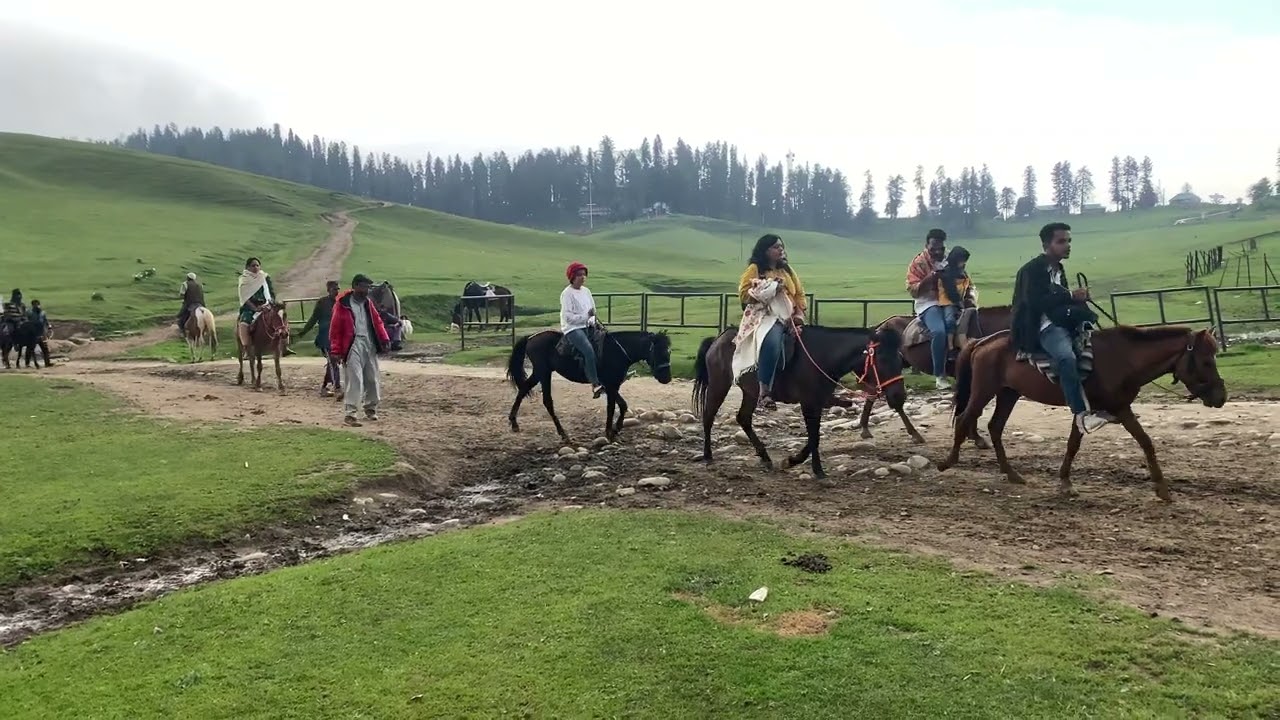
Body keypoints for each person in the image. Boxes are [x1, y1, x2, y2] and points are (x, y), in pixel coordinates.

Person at [1012, 222, 1110, 434]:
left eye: (1069, 241)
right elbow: (1034, 301)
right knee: (1067, 358)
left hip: (1061, 321)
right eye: (1062, 241)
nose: (1067, 245)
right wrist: (1070, 295)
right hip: (1043, 326)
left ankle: (1105, 402)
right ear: (1047, 244)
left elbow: (1058, 300)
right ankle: (1080, 414)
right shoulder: (1031, 270)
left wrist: (1077, 301)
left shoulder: (1058, 268)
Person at [733, 233, 807, 403]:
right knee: (772, 340)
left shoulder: (788, 270)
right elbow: (744, 294)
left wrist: (800, 313)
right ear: (765, 251)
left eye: (781, 246)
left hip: (791, 316)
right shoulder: (755, 269)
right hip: (765, 315)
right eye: (775, 247)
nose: (780, 249)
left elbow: (800, 293)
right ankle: (764, 390)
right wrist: (769, 289)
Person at [329, 274, 390, 427]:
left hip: (369, 343)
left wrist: (384, 339)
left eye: (368, 287)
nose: (366, 290)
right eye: (364, 287)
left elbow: (377, 321)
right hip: (352, 344)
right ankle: (350, 413)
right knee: (355, 378)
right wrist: (335, 350)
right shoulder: (343, 305)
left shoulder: (368, 303)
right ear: (355, 286)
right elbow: (335, 329)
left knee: (372, 378)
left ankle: (371, 408)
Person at [906, 228, 955, 389]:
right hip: (928, 302)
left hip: (950, 299)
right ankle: (939, 375)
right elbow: (913, 289)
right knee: (939, 331)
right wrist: (930, 278)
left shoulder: (950, 259)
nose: (937, 251)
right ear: (927, 245)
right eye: (933, 247)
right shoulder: (918, 263)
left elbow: (964, 278)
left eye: (940, 247)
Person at [560, 262, 604, 398]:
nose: (583, 277)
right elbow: (568, 318)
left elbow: (592, 310)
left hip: (589, 325)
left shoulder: (586, 291)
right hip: (573, 328)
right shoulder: (567, 294)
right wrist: (586, 317)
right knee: (589, 351)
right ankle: (595, 384)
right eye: (579, 275)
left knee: (607, 343)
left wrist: (594, 321)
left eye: (584, 274)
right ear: (572, 277)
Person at [296, 280, 342, 398]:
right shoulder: (322, 303)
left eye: (337, 289)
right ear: (328, 290)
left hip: (338, 338)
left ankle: (325, 386)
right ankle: (336, 387)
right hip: (325, 338)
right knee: (332, 360)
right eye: (334, 289)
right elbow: (313, 319)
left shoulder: (342, 302)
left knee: (333, 361)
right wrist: (303, 331)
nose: (336, 291)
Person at [25, 299, 52, 367]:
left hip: (41, 333)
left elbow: (45, 320)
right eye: (35, 304)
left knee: (45, 349)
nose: (37, 306)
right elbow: (26, 321)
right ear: (33, 305)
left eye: (38, 304)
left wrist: (49, 326)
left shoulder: (42, 313)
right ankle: (27, 363)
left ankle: (47, 363)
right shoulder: (29, 312)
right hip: (32, 333)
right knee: (30, 349)